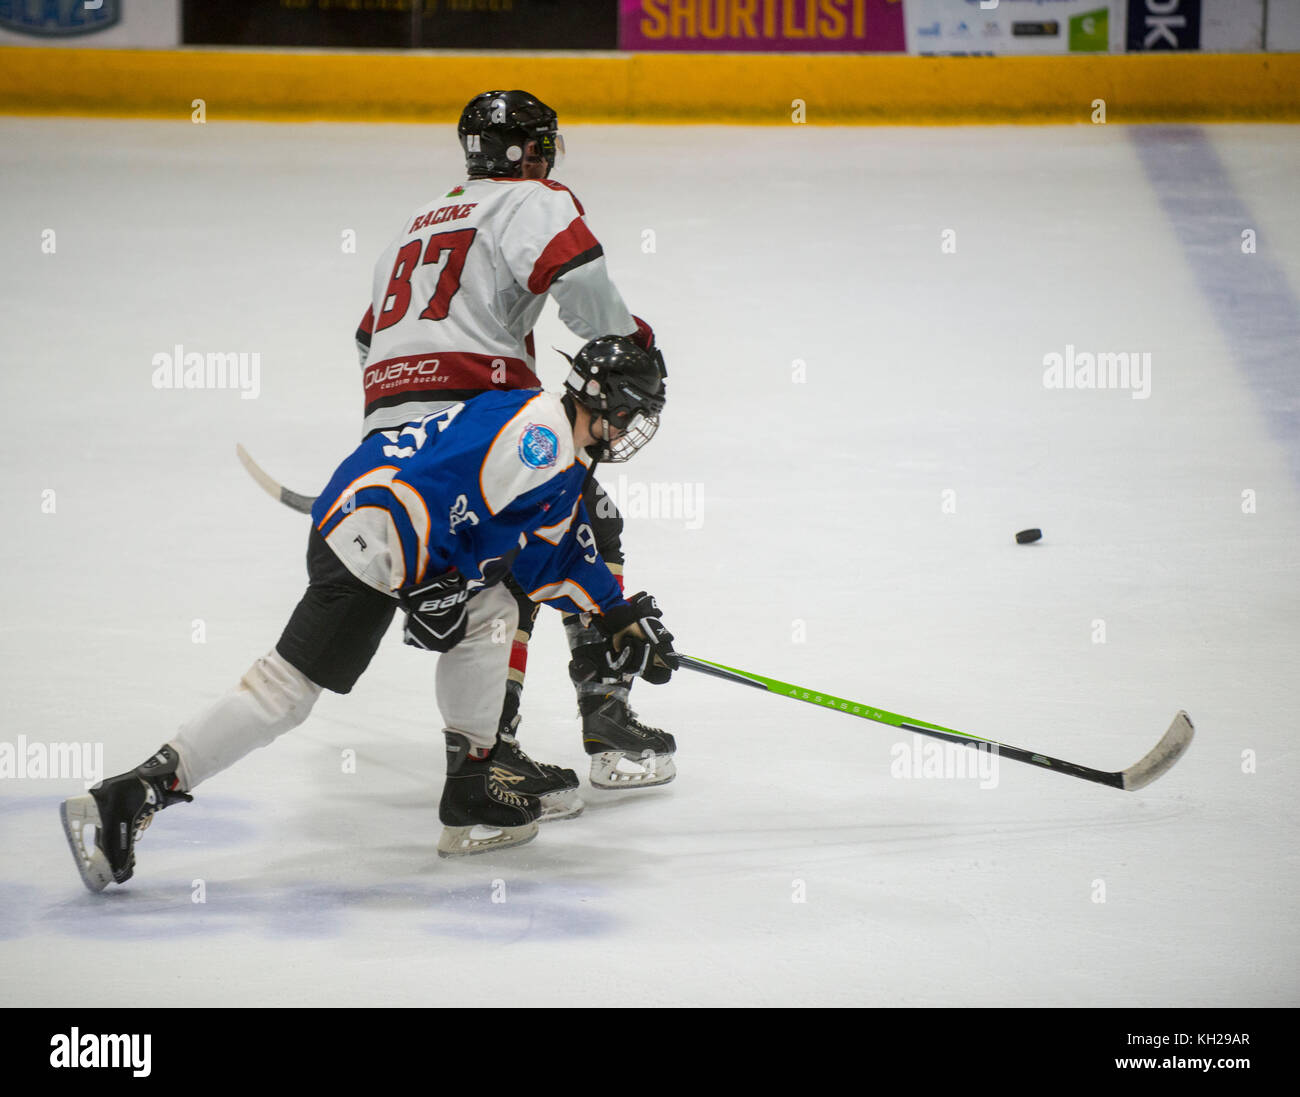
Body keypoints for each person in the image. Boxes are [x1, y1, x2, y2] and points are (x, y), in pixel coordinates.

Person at [60, 336, 677, 892]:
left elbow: (556, 556)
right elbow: (420, 491)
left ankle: (471, 785)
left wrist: (618, 616)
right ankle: (136, 790)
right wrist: (424, 581)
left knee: (492, 607)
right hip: (371, 541)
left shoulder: (552, 449)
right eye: (635, 416)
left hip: (372, 528)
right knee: (285, 694)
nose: (632, 431)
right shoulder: (539, 443)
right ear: (614, 409)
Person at [353, 89, 676, 805]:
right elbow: (585, 287)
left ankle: (495, 748)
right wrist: (628, 348)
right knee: (560, 532)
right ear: (530, 149)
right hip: (481, 416)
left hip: (393, 438)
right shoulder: (530, 199)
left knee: (520, 552)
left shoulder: (418, 219)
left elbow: (366, 337)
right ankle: (590, 717)